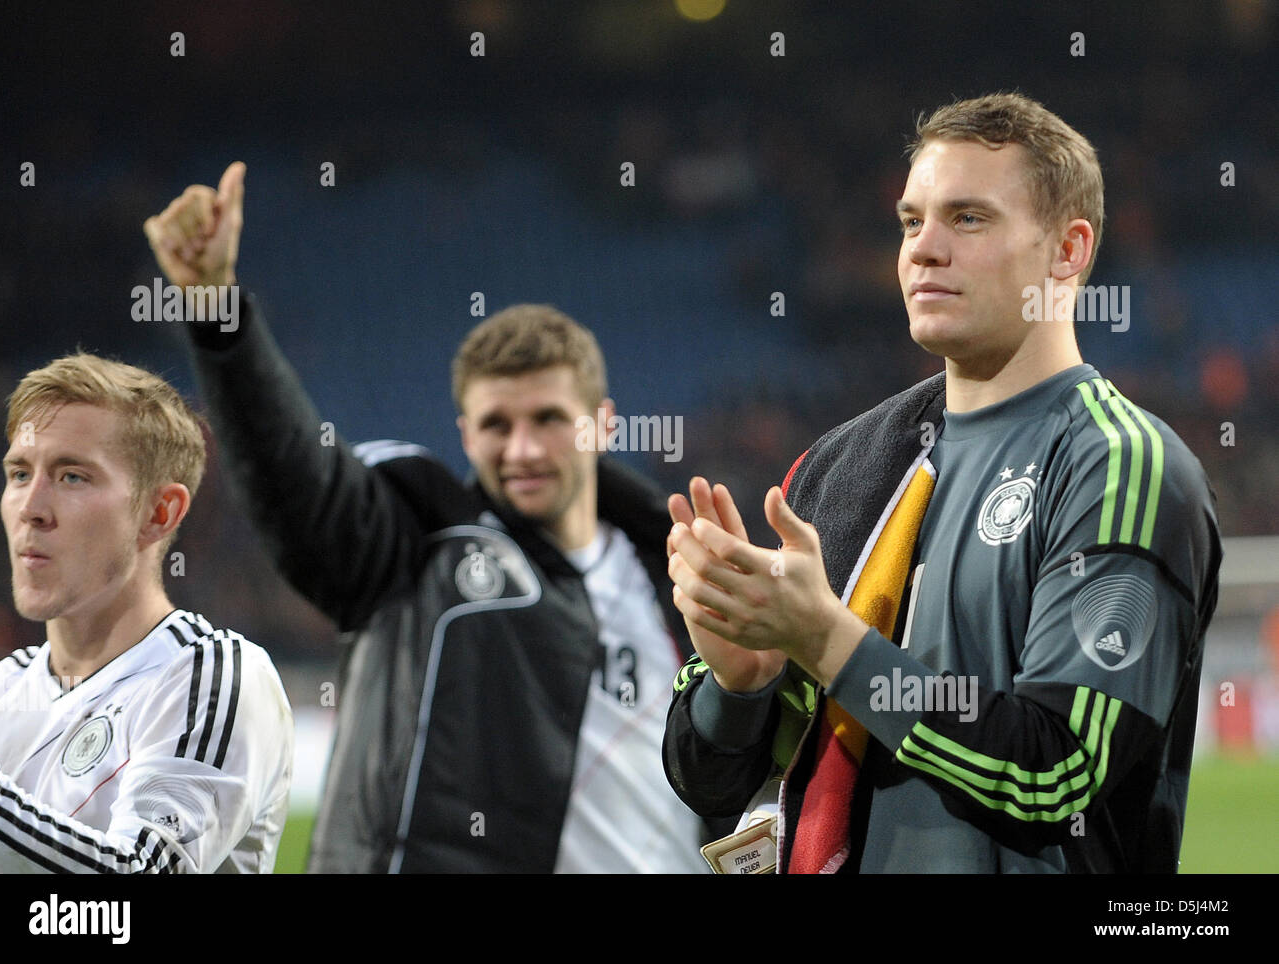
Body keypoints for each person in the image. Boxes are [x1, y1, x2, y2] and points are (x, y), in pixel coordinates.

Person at [664, 92, 1222, 873]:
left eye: (967, 219)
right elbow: (709, 785)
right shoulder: (839, 463)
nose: (923, 248)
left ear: (1067, 251)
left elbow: (1057, 775)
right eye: (910, 220)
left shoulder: (1121, 465)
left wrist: (829, 642)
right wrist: (738, 685)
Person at [143, 163, 709, 873]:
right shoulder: (422, 540)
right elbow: (301, 488)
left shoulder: (678, 579)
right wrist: (218, 315)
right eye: (497, 424)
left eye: (548, 419)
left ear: (600, 426)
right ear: (466, 436)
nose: (523, 448)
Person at [0, 353, 293, 873]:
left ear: (158, 512)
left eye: (72, 477)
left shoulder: (211, 675)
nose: (30, 506)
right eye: (19, 473)